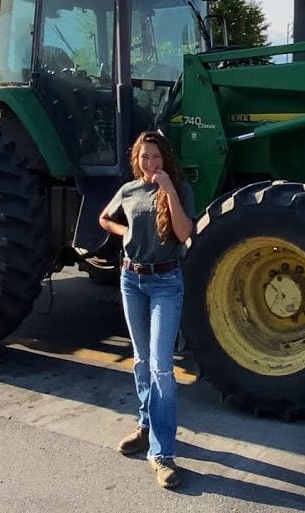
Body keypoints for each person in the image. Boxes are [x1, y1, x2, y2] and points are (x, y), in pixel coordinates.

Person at [98, 130, 195, 489]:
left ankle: (162, 453)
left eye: (156, 156)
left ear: (165, 158)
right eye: (144, 157)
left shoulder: (179, 189)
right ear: (136, 160)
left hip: (166, 283)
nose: (151, 163)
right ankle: (145, 426)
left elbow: (184, 233)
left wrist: (168, 190)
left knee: (161, 368)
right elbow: (104, 218)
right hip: (131, 280)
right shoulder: (129, 190)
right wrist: (121, 231)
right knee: (140, 361)